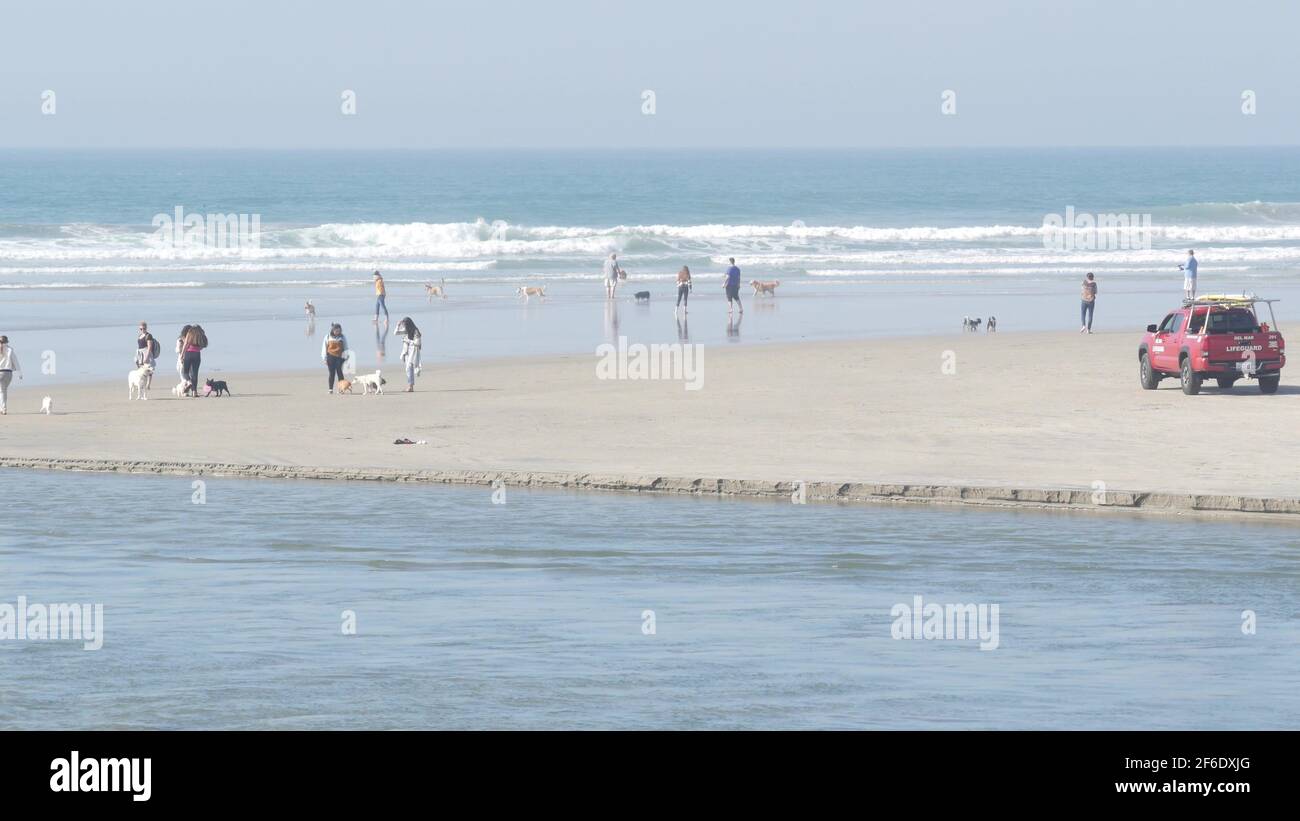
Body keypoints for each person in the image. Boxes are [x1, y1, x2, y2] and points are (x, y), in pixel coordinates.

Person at [180, 325, 207, 396]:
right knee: (195, 374)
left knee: (185, 372)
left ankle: (189, 382)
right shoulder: (200, 334)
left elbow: (185, 344)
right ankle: (194, 392)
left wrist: (182, 354)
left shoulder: (190, 332)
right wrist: (198, 349)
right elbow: (203, 345)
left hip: (188, 353)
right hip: (197, 354)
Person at [396, 316, 422, 392]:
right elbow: (396, 333)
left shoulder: (416, 331)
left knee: (409, 367)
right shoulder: (407, 330)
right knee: (407, 369)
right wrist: (398, 325)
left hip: (413, 352)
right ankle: (410, 386)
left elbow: (418, 343)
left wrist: (409, 341)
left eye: (405, 324)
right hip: (407, 352)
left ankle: (410, 386)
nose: (404, 326)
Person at [321, 323, 349, 393]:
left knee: (340, 372)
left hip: (340, 357)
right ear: (333, 330)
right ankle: (330, 389)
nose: (338, 332)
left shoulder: (342, 337)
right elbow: (324, 348)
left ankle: (341, 389)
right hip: (330, 357)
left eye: (339, 331)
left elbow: (345, 346)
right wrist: (324, 358)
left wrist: (346, 355)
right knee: (332, 373)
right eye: (336, 331)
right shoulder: (327, 337)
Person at [0, 335, 21, 415]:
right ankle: (3, 408)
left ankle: (3, 408)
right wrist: (20, 373)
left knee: (2, 391)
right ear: (7, 342)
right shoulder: (10, 350)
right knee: (3, 391)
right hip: (8, 374)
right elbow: (15, 361)